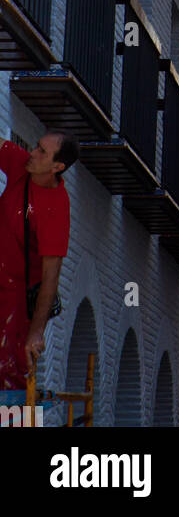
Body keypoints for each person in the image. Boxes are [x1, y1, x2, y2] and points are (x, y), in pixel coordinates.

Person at [0, 132, 75, 389]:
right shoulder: (23, 166)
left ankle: (12, 411)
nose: (33, 153)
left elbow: (50, 277)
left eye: (42, 151)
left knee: (7, 369)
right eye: (37, 147)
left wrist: (36, 332)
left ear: (57, 167)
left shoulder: (55, 209)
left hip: (16, 297)